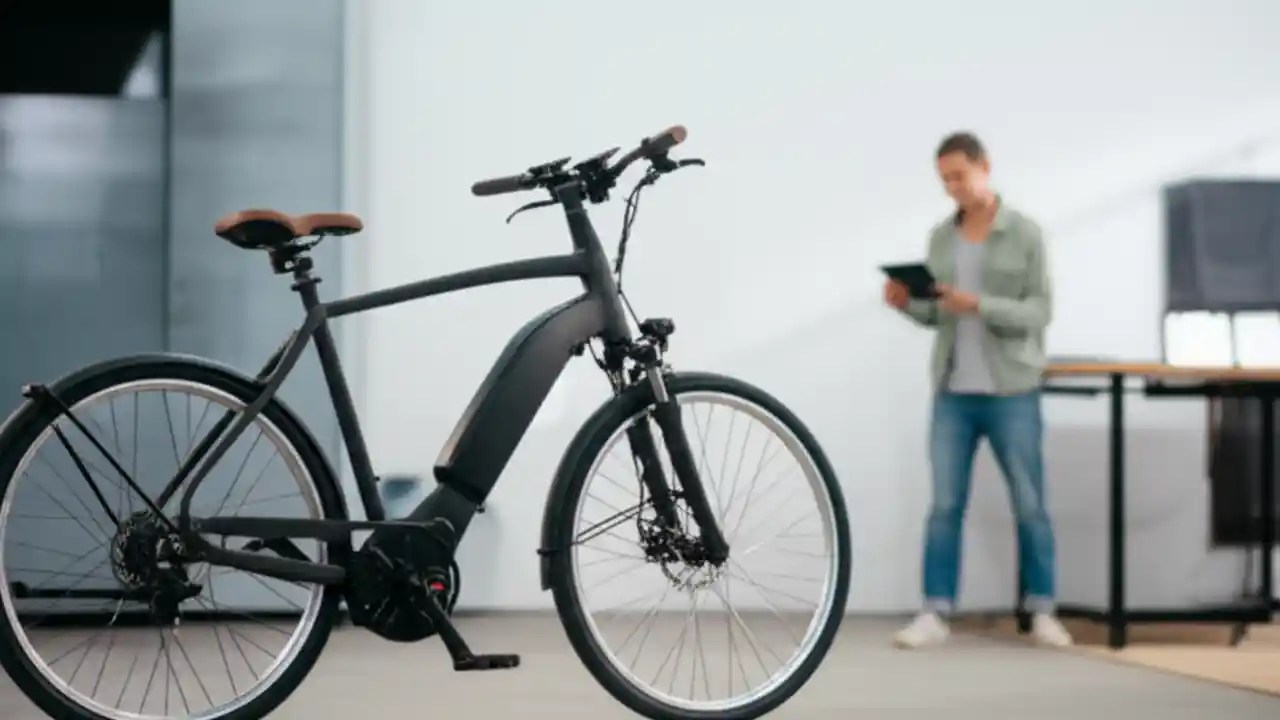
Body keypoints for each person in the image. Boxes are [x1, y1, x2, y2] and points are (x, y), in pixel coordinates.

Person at [884, 131, 1072, 649]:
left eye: (959, 176)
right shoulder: (941, 238)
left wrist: (979, 305)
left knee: (1030, 504)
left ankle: (1042, 610)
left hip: (1012, 391)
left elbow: (1040, 312)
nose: (952, 188)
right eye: (944, 179)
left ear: (984, 167)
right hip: (953, 394)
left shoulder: (1025, 233)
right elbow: (935, 312)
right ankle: (935, 611)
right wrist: (907, 302)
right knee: (944, 506)